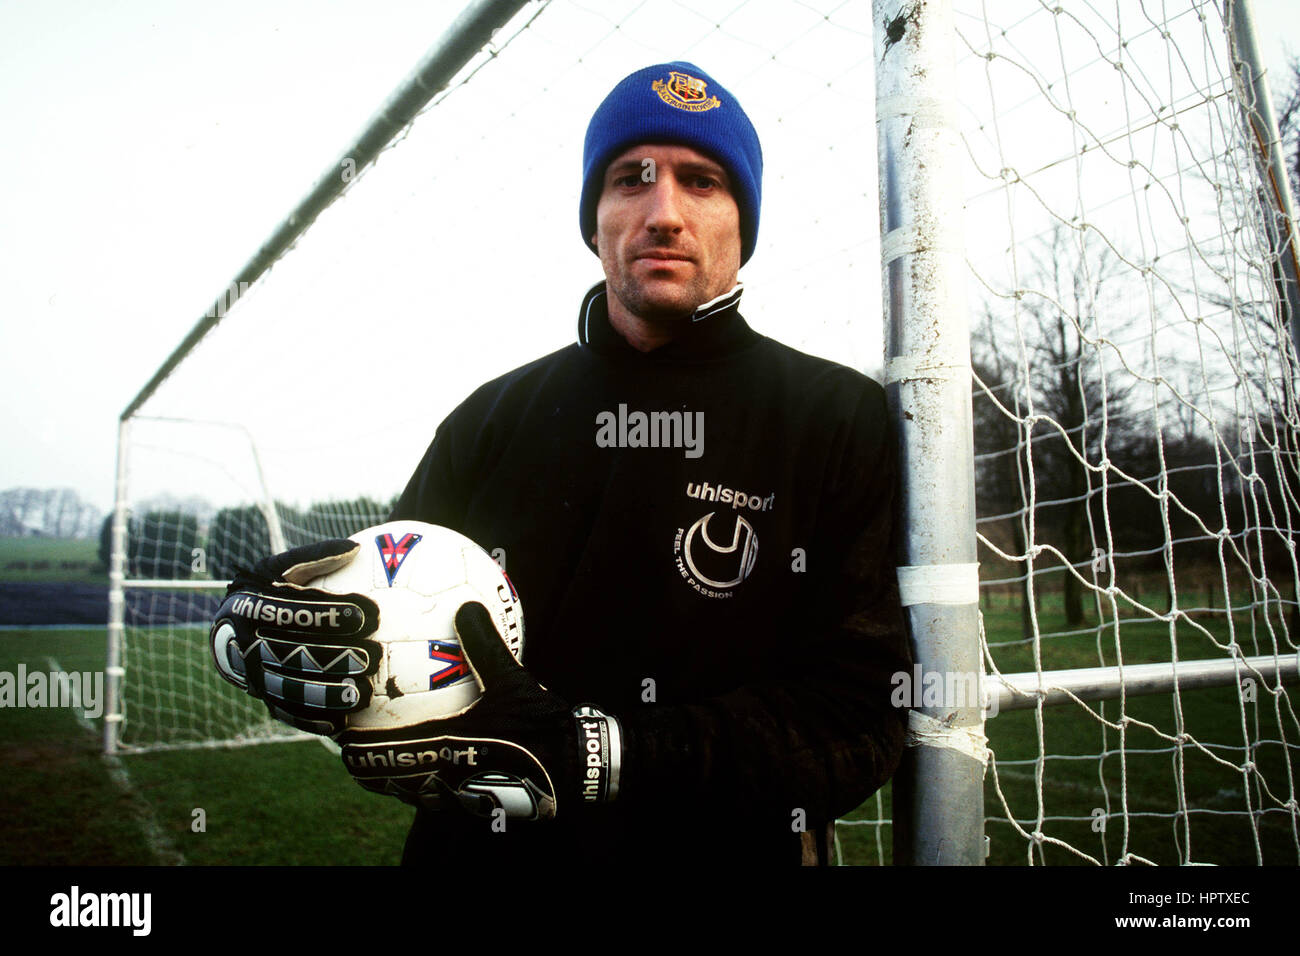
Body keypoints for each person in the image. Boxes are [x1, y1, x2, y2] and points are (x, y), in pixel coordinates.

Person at [211, 61, 912, 867]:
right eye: (629, 180)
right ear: (593, 219)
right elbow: (385, 621)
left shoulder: (831, 418)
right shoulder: (491, 418)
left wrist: (603, 755)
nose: (664, 214)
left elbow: (856, 717)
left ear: (743, 223)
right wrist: (314, 619)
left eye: (703, 181)